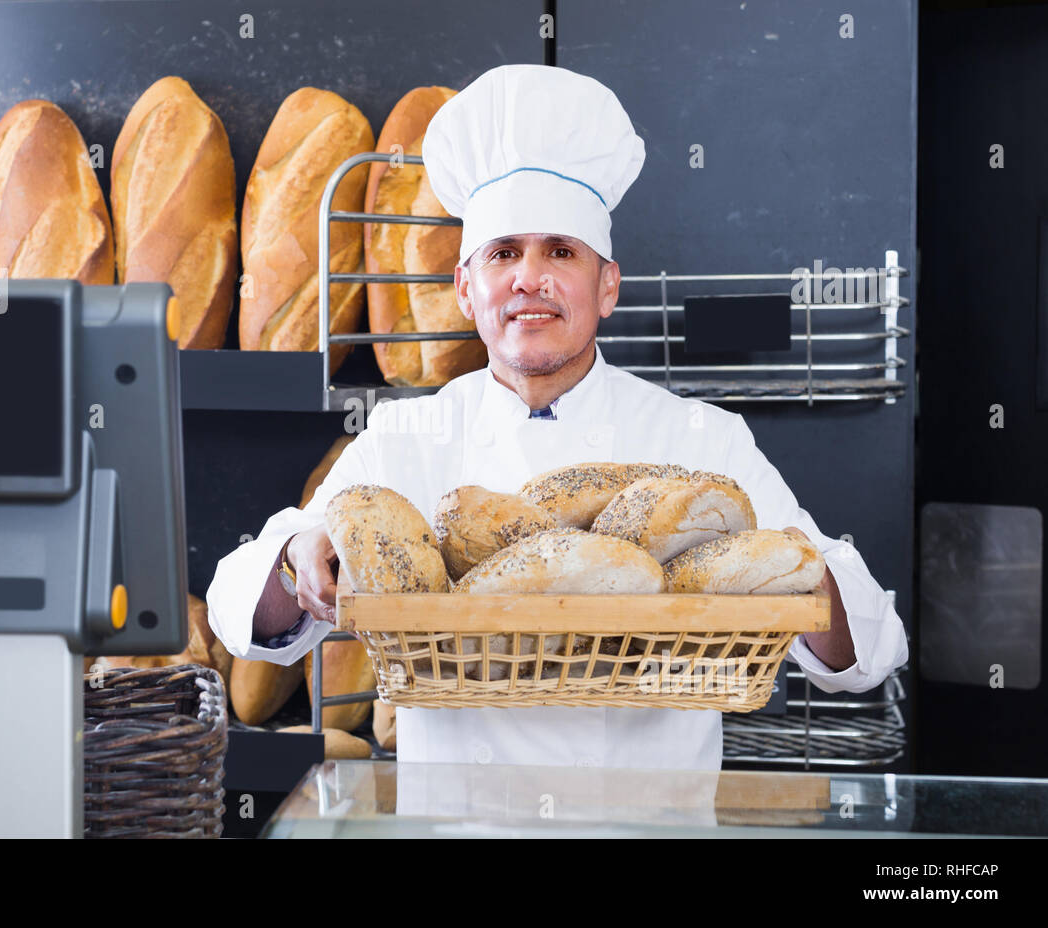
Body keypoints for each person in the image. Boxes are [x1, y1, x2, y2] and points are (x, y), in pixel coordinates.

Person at [206, 63, 908, 769]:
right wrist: (300, 556)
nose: (528, 278)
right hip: (458, 826)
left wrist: (801, 572)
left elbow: (866, 652)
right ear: (465, 290)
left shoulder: (700, 442)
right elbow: (240, 614)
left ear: (607, 287)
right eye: (504, 253)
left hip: (647, 825)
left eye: (561, 252)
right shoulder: (403, 440)